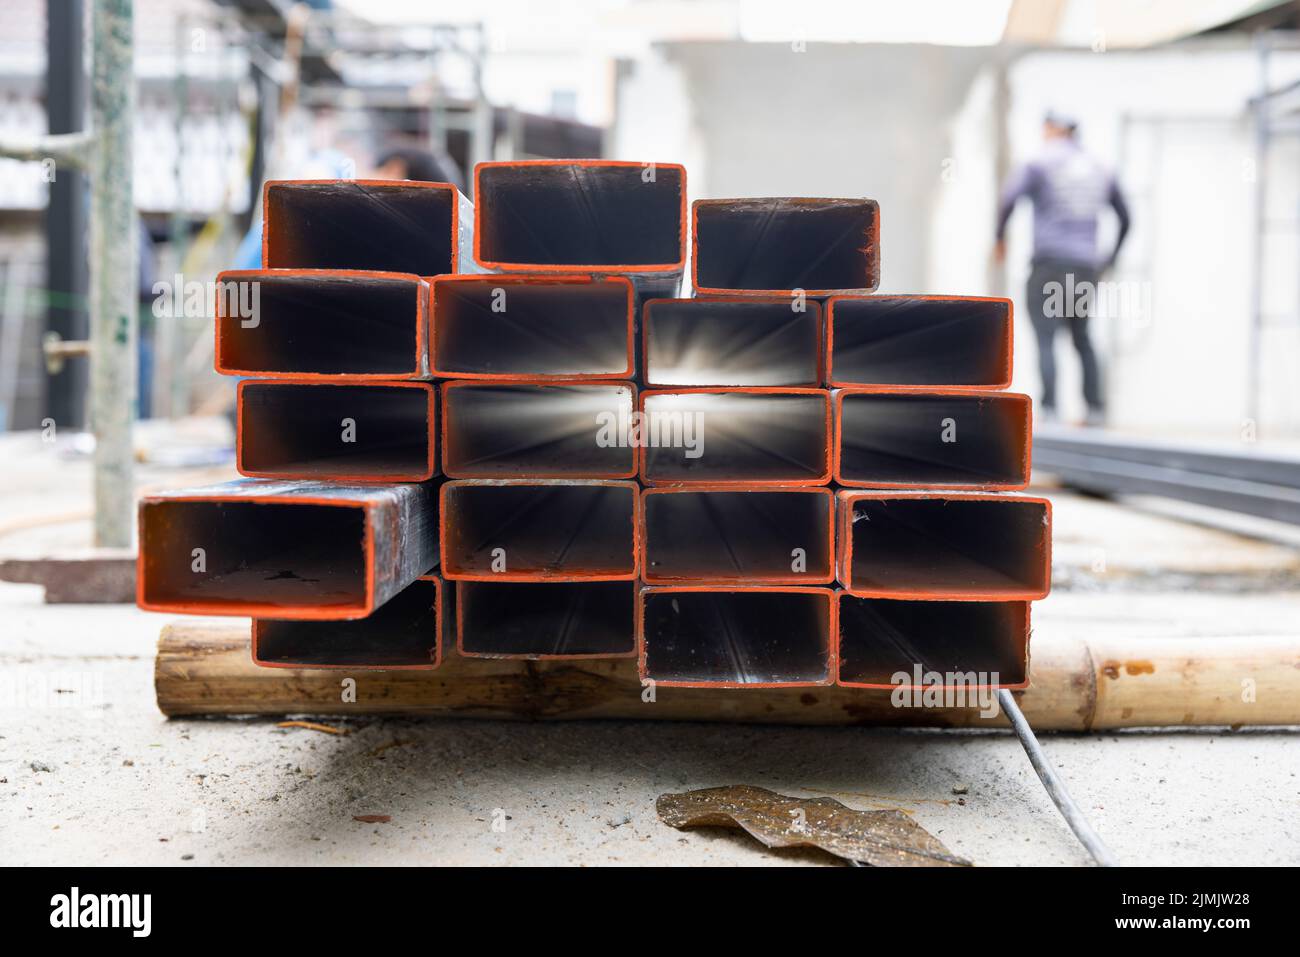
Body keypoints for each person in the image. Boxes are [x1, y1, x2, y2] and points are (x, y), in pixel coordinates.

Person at [995, 111, 1130, 426]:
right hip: (1084, 267)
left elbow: (1008, 199)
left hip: (1049, 264)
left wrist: (999, 237)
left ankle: (1052, 411)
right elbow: (1126, 217)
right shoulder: (1100, 167)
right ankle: (1095, 411)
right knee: (1081, 336)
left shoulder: (1039, 163)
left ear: (1053, 129)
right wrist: (1110, 259)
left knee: (1046, 337)